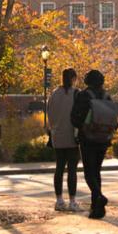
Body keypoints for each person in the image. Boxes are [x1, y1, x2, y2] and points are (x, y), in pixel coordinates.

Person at [71, 68, 115, 219]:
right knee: (97, 171)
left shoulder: (83, 96)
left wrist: (81, 127)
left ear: (87, 81)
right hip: (103, 139)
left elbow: (74, 118)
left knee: (89, 173)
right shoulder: (107, 96)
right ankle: (96, 209)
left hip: (88, 139)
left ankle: (99, 197)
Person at [46, 67, 82, 211]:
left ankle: (59, 200)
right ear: (73, 78)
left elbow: (50, 115)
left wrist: (54, 128)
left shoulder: (54, 94)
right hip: (72, 137)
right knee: (72, 170)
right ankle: (72, 201)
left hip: (57, 136)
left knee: (59, 168)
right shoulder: (76, 94)